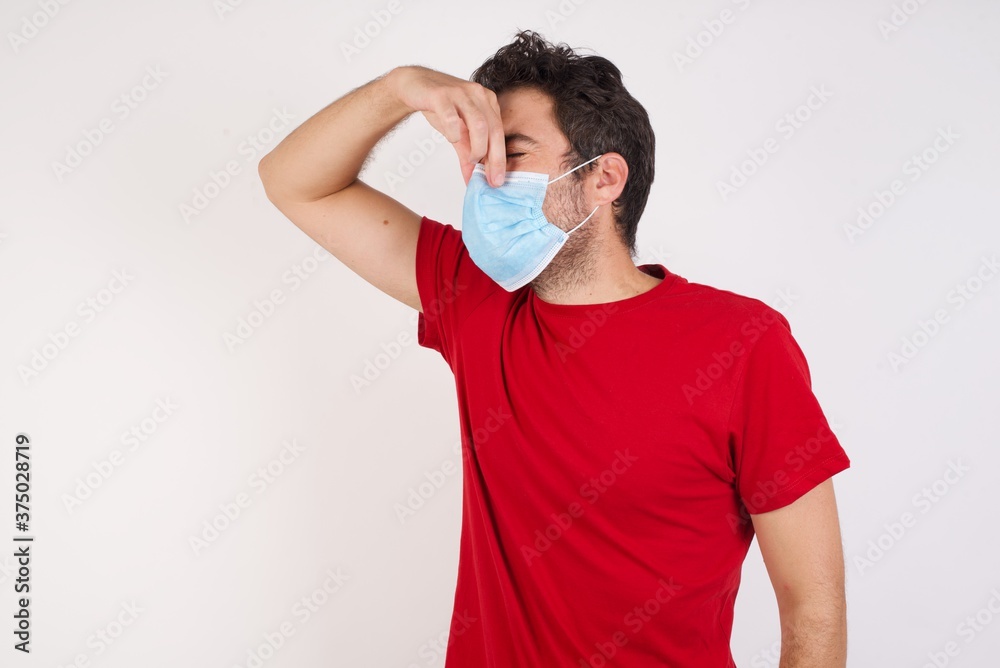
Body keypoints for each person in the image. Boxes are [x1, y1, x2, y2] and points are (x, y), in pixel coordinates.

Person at [258, 29, 850, 668]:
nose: (486, 178)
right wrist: (400, 87)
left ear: (604, 178)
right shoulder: (474, 297)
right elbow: (296, 182)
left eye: (511, 153)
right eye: (482, 155)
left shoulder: (740, 342)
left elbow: (813, 608)